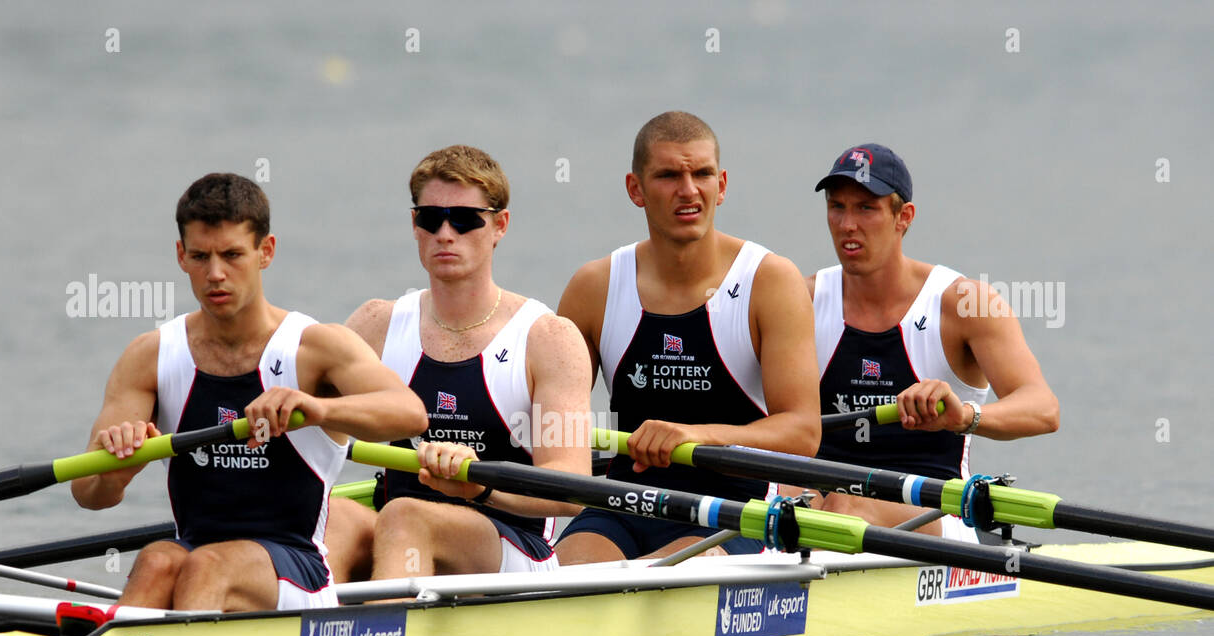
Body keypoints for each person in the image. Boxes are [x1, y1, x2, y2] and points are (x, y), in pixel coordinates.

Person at [72, 172, 427, 610]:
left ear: (266, 252)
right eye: (200, 256)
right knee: (157, 559)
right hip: (196, 551)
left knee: (209, 565)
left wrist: (316, 408)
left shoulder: (313, 347)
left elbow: (411, 413)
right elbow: (88, 494)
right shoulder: (150, 355)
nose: (215, 274)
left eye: (232, 255)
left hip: (296, 569)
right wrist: (117, 471)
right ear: (180, 256)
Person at [552, 111, 821, 564]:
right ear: (635, 190)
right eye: (668, 176)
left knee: (653, 577)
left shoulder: (770, 280)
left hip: (738, 509)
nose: (689, 190)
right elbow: (550, 423)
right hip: (626, 502)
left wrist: (695, 436)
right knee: (563, 573)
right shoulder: (593, 287)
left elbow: (803, 432)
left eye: (702, 174)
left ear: (723, 184)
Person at [328, 145, 592, 579]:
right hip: (400, 528)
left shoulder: (547, 337)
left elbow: (570, 488)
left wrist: (481, 485)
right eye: (431, 219)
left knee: (406, 516)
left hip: (509, 543)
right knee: (335, 515)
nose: (445, 234)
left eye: (466, 220)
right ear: (415, 225)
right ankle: (303, 631)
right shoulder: (376, 324)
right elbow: (311, 441)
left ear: (499, 226)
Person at [806, 143, 1059, 538]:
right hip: (818, 507)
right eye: (837, 207)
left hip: (937, 514)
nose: (846, 225)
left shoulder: (964, 303)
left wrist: (964, 418)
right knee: (800, 500)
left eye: (865, 208)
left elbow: (1043, 409)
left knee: (841, 506)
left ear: (903, 217)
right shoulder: (802, 301)